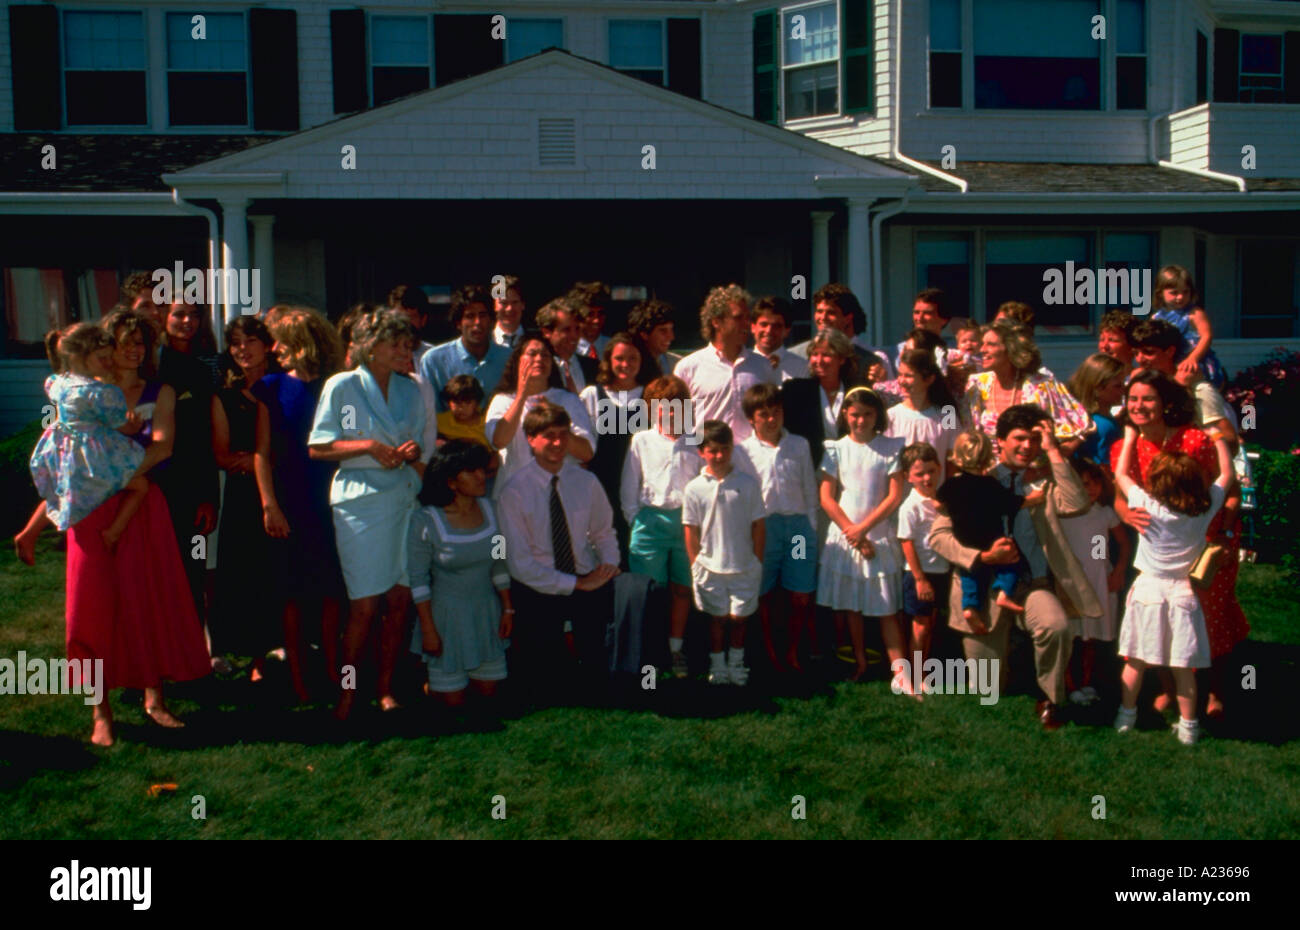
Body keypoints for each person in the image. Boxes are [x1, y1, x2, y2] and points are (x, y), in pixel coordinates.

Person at [23, 323, 209, 745]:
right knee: (89, 609)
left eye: (140, 342)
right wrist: (85, 487)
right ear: (101, 350)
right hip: (90, 510)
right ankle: (100, 711)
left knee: (145, 603)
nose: (132, 350)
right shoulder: (80, 392)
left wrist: (107, 479)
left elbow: (163, 448)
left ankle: (154, 699)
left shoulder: (160, 393)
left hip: (139, 507)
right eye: (122, 343)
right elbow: (64, 458)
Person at [928, 405, 1101, 730]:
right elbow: (938, 536)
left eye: (1036, 440)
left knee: (1056, 625)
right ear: (1000, 441)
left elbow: (1078, 504)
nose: (1028, 447)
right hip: (983, 587)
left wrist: (1053, 451)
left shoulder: (1045, 482)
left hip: (1030, 582)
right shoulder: (975, 479)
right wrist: (982, 558)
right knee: (988, 690)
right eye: (1020, 439)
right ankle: (1016, 661)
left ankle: (1049, 696)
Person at [1109, 368, 1247, 720]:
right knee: (1163, 624)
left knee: (1211, 619)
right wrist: (1125, 514)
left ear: (1166, 403)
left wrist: (1223, 536)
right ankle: (1172, 690)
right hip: (1162, 547)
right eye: (1133, 399)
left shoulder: (1194, 441)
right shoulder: (1122, 447)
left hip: (1208, 540)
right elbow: (1118, 491)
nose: (1139, 406)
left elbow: (1227, 486)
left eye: (1148, 399)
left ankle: (1215, 691)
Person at [309, 309, 426, 720]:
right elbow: (320, 446)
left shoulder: (413, 390)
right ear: (369, 347)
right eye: (394, 343)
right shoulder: (343, 386)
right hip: (360, 503)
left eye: (407, 343)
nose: (403, 351)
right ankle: (347, 694)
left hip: (404, 499)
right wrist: (369, 447)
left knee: (399, 599)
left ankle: (386, 688)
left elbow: (422, 448)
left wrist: (410, 454)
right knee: (363, 606)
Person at [498, 402, 620, 707]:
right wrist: (577, 584)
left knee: (596, 675)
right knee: (546, 683)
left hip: (586, 577)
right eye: (549, 435)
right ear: (531, 439)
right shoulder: (514, 491)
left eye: (563, 435)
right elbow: (519, 563)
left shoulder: (587, 481)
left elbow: (605, 532)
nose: (557, 443)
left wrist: (607, 568)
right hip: (538, 585)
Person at [260, 308, 348, 700]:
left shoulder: (337, 385)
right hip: (289, 499)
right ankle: (297, 676)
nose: (274, 348)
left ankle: (331, 668)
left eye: (282, 341)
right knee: (292, 593)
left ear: (304, 344)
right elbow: (262, 453)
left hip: (331, 497)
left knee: (332, 589)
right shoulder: (271, 386)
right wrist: (269, 505)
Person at [21, 326, 150, 556]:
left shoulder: (58, 382)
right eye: (103, 358)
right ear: (81, 357)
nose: (109, 363)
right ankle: (113, 532)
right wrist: (135, 426)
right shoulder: (100, 392)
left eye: (110, 357)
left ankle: (29, 532)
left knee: (60, 492)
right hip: (88, 454)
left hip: (61, 447)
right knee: (141, 486)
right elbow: (119, 424)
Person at [408, 440, 513, 711]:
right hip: (446, 620)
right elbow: (418, 581)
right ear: (451, 482)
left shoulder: (492, 510)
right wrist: (429, 631)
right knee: (452, 705)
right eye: (471, 471)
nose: (481, 477)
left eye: (481, 469)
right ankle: (429, 684)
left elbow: (499, 561)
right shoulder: (425, 521)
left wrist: (507, 609)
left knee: (488, 697)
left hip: (486, 613)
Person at [209, 316, 286, 682]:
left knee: (282, 571)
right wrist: (256, 461)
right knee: (248, 574)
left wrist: (260, 460)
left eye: (250, 341)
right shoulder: (225, 396)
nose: (242, 349)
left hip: (286, 491)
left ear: (267, 344)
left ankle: (288, 646)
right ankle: (253, 656)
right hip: (243, 498)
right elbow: (221, 455)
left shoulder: (285, 387)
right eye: (236, 342)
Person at [816, 387, 909, 685]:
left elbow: (894, 496)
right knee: (852, 605)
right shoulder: (835, 448)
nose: (861, 420)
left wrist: (864, 529)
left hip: (877, 532)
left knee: (885, 607)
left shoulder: (891, 447)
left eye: (868, 414)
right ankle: (860, 662)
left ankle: (900, 671)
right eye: (855, 414)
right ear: (845, 414)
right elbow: (827, 498)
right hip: (846, 534)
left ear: (877, 416)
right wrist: (852, 532)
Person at [621, 376, 702, 679]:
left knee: (682, 589)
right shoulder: (641, 440)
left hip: (686, 524)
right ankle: (649, 654)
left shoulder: (696, 438)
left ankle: (675, 648)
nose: (669, 414)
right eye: (661, 408)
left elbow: (705, 482)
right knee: (649, 591)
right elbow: (630, 486)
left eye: (676, 407)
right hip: (650, 521)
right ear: (651, 410)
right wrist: (635, 519)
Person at [733, 384, 819, 673]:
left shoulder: (798, 444)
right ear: (752, 419)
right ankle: (770, 651)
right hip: (763, 528)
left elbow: (809, 488)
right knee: (764, 592)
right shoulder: (742, 452)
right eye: (764, 414)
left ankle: (793, 650)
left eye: (777, 412)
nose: (772, 419)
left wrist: (810, 528)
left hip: (797, 528)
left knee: (799, 592)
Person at [683, 420, 766, 687]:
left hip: (743, 566)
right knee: (717, 619)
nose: (719, 456)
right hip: (709, 567)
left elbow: (758, 525)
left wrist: (756, 561)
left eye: (725, 450)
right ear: (702, 452)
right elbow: (691, 530)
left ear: (732, 450)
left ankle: (736, 662)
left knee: (739, 619)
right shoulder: (694, 488)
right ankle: (717, 663)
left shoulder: (748, 484)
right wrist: (696, 564)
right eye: (713, 450)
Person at [486, 333, 595, 494]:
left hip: (561, 493)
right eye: (532, 354)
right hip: (515, 493)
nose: (539, 359)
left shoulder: (568, 400)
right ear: (518, 360)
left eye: (545, 355)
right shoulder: (502, 400)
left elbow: (586, 453)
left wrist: (554, 418)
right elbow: (498, 441)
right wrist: (522, 395)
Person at [936, 430, 1027, 625]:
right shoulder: (991, 484)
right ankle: (1004, 592)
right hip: (991, 539)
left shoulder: (951, 485)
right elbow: (1010, 503)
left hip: (965, 541)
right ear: (987, 457)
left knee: (970, 575)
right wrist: (1031, 499)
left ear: (957, 457)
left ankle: (970, 607)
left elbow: (938, 502)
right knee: (1012, 563)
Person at [1059, 459, 1128, 706]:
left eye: (1095, 483)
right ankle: (1070, 685)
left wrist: (1118, 570)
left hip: (1099, 580)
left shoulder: (1105, 513)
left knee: (1090, 639)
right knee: (1070, 636)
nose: (1090, 489)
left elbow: (1122, 543)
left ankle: (1087, 682)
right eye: (1084, 484)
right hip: (1073, 584)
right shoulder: (1063, 514)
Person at [964, 321, 1091, 454]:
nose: (982, 349)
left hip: (1033, 471)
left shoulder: (1041, 385)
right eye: (983, 343)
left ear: (1010, 349)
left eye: (991, 344)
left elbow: (1083, 427)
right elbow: (964, 433)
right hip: (989, 471)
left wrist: (1053, 459)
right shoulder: (976, 385)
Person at [675, 284, 779, 442]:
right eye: (738, 318)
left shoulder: (762, 366)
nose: (746, 324)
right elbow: (676, 423)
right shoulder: (689, 367)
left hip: (751, 461)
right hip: (706, 460)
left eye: (747, 317)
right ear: (717, 322)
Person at [580, 332, 654, 556]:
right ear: (608, 361)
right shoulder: (592, 395)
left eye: (633, 358)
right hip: (603, 488)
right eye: (619, 358)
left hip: (642, 491)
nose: (626, 364)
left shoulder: (652, 394)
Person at [896, 442, 949, 671]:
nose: (927, 478)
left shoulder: (942, 501)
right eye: (920, 474)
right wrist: (919, 579)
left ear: (939, 468)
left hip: (941, 570)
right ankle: (915, 674)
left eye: (931, 471)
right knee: (920, 625)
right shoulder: (911, 506)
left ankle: (924, 669)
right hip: (920, 573)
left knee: (931, 623)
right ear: (908, 477)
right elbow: (906, 542)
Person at [780, 328, 864, 470]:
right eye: (814, 354)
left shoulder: (856, 391)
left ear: (842, 359)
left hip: (852, 467)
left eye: (826, 355)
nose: (819, 360)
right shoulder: (795, 391)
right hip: (809, 469)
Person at [418, 283, 511, 412]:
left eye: (483, 315)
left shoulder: (509, 359)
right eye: (470, 316)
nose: (477, 322)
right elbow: (429, 414)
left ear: (491, 320)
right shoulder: (433, 361)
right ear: (458, 323)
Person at [885, 348, 961, 485]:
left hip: (937, 497)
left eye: (908, 376)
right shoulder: (890, 416)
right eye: (900, 375)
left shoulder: (947, 414)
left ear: (929, 379)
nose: (901, 381)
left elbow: (952, 459)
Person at [791, 283, 891, 381]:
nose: (823, 317)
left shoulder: (873, 359)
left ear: (848, 318)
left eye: (831, 312)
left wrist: (883, 382)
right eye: (819, 311)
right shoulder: (796, 355)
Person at [1151, 264, 1224, 388]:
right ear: (1160, 293)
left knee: (1183, 383)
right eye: (1174, 293)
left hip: (1196, 362)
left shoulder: (1194, 313)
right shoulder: (1156, 318)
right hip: (1170, 363)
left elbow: (1207, 336)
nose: (1180, 297)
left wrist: (1193, 358)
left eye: (1185, 292)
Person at [1067, 352, 1128, 466]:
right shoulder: (1103, 426)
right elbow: (1104, 467)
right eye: (1117, 386)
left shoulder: (1084, 420)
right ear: (1097, 388)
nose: (1124, 391)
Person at [539, 298, 598, 393]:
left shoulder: (593, 367)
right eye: (566, 330)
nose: (574, 336)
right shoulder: (540, 368)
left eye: (577, 329)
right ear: (547, 332)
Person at [895, 288, 959, 375]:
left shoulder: (954, 350)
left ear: (944, 319)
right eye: (916, 312)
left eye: (927, 313)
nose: (919, 318)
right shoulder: (901, 350)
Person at [750, 296, 810, 381]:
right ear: (753, 327)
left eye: (776, 326)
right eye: (764, 324)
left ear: (787, 331)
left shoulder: (802, 368)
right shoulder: (740, 365)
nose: (769, 331)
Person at [436, 374, 495, 456]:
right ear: (448, 402)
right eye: (457, 403)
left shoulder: (488, 421)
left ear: (477, 402)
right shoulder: (439, 422)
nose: (461, 408)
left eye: (468, 403)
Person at [627, 298, 680, 375]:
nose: (671, 337)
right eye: (663, 331)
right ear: (644, 334)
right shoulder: (626, 366)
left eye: (671, 329)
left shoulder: (678, 364)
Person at [568, 281, 612, 360]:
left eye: (600, 313)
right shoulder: (568, 349)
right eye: (590, 314)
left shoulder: (613, 347)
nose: (596, 320)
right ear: (576, 315)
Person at [492, 274, 527, 350]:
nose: (509, 309)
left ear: (523, 305)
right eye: (504, 303)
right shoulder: (482, 342)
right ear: (494, 305)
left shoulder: (538, 340)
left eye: (515, 302)